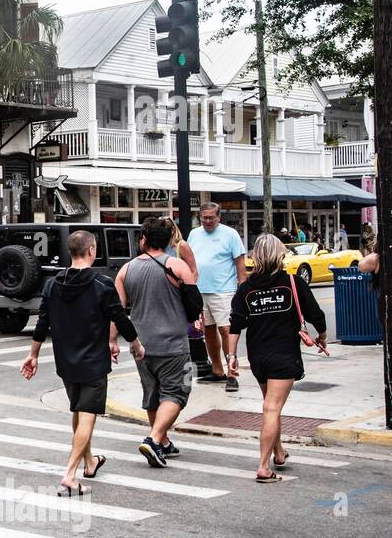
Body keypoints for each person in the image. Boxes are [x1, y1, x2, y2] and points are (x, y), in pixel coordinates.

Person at [23, 231, 145, 495]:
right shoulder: (101, 284)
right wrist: (135, 343)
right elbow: (120, 318)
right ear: (91, 250)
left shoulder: (53, 285)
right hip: (93, 361)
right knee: (88, 415)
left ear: (71, 252)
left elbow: (42, 322)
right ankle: (69, 474)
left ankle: (90, 462)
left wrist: (32, 354)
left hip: (66, 362)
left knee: (79, 410)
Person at [226, 234, 327, 483]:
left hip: (258, 356)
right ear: (280, 255)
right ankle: (263, 466)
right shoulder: (292, 283)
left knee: (272, 405)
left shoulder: (246, 288)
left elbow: (235, 325)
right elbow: (316, 314)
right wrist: (322, 336)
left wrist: (231, 356)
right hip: (284, 356)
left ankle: (279, 453)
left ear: (256, 257)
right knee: (272, 407)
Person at [116, 217, 197, 468]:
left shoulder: (125, 270)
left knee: (152, 395)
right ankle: (153, 439)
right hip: (174, 347)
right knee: (177, 392)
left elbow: (116, 312)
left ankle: (162, 442)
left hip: (141, 346)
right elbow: (195, 308)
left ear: (143, 240)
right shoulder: (178, 267)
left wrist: (111, 341)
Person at [187, 202, 247, 392]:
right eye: (204, 217)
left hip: (224, 291)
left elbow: (240, 263)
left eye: (211, 217)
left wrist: (242, 289)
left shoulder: (230, 234)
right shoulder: (194, 234)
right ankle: (217, 370)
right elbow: (188, 261)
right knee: (209, 331)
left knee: (226, 331)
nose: (207, 221)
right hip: (199, 290)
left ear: (218, 217)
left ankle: (232, 373)